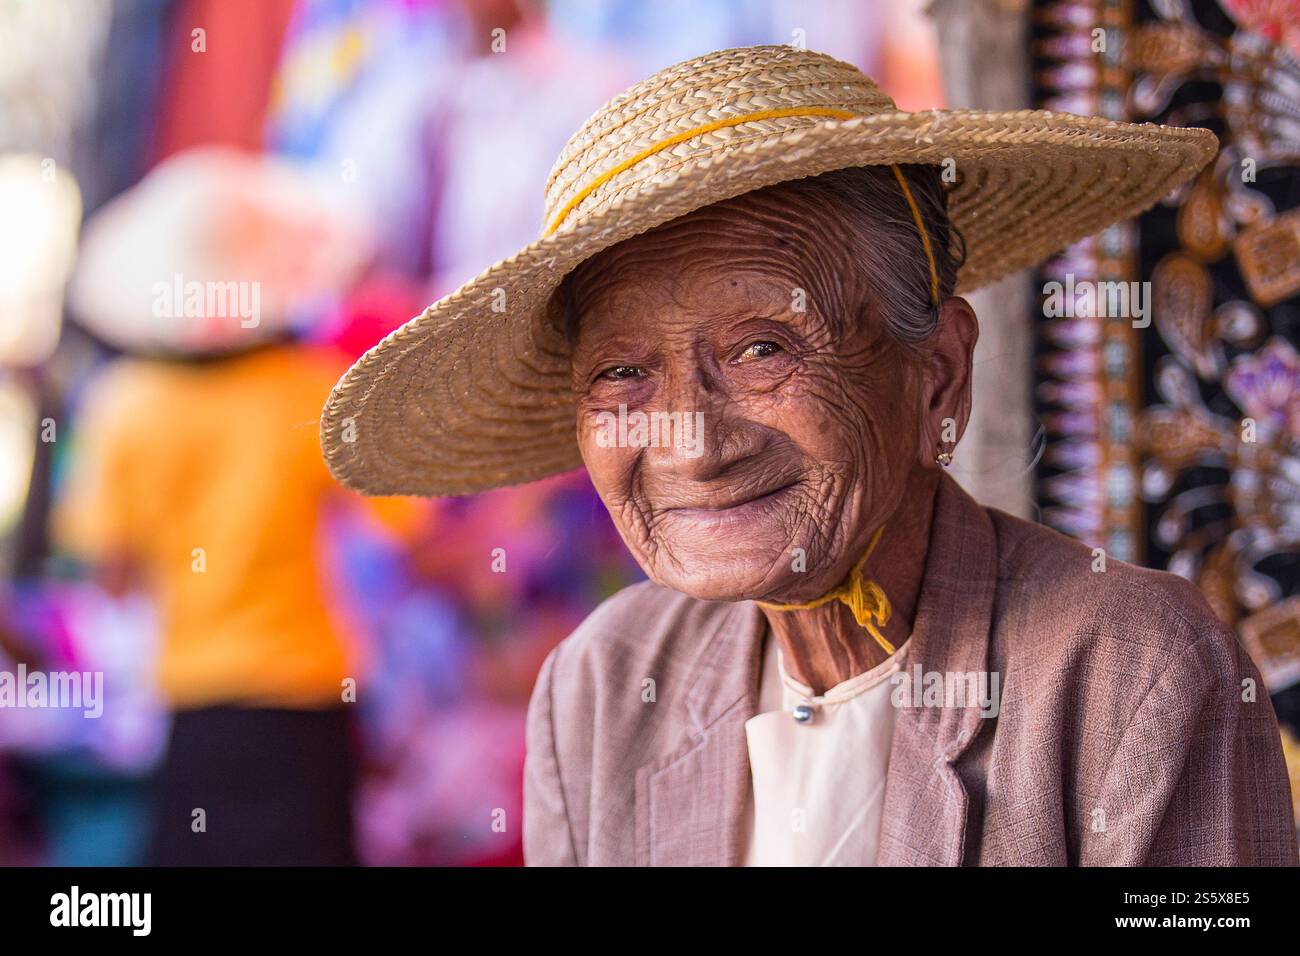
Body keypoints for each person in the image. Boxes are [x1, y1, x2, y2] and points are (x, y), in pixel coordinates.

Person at [319, 46, 1298, 865]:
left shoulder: (1128, 669)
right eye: (623, 372)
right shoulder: (603, 687)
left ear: (940, 370)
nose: (692, 445)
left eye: (761, 348)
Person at [58, 147, 371, 865]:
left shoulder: (123, 406)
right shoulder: (314, 391)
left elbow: (109, 571)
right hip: (308, 704)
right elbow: (404, 532)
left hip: (195, 710)